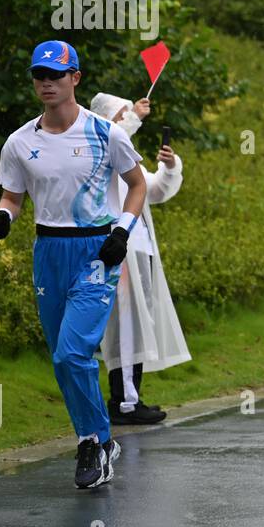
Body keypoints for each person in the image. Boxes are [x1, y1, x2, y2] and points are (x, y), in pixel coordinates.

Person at [0, 41, 145, 488]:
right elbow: (12, 196)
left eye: (56, 75)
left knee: (72, 351)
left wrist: (122, 231)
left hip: (97, 250)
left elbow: (136, 185)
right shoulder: (20, 142)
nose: (46, 83)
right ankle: (97, 437)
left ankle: (91, 444)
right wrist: (4, 216)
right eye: (39, 75)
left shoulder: (106, 133)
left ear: (75, 78)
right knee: (62, 361)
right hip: (49, 251)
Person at [90, 93, 191, 425]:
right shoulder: (100, 155)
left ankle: (128, 398)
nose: (126, 119)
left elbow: (157, 189)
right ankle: (124, 402)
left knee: (136, 327)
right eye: (121, 114)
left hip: (139, 254)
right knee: (125, 329)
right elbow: (111, 135)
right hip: (121, 256)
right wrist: (135, 114)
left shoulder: (126, 161)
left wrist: (170, 165)